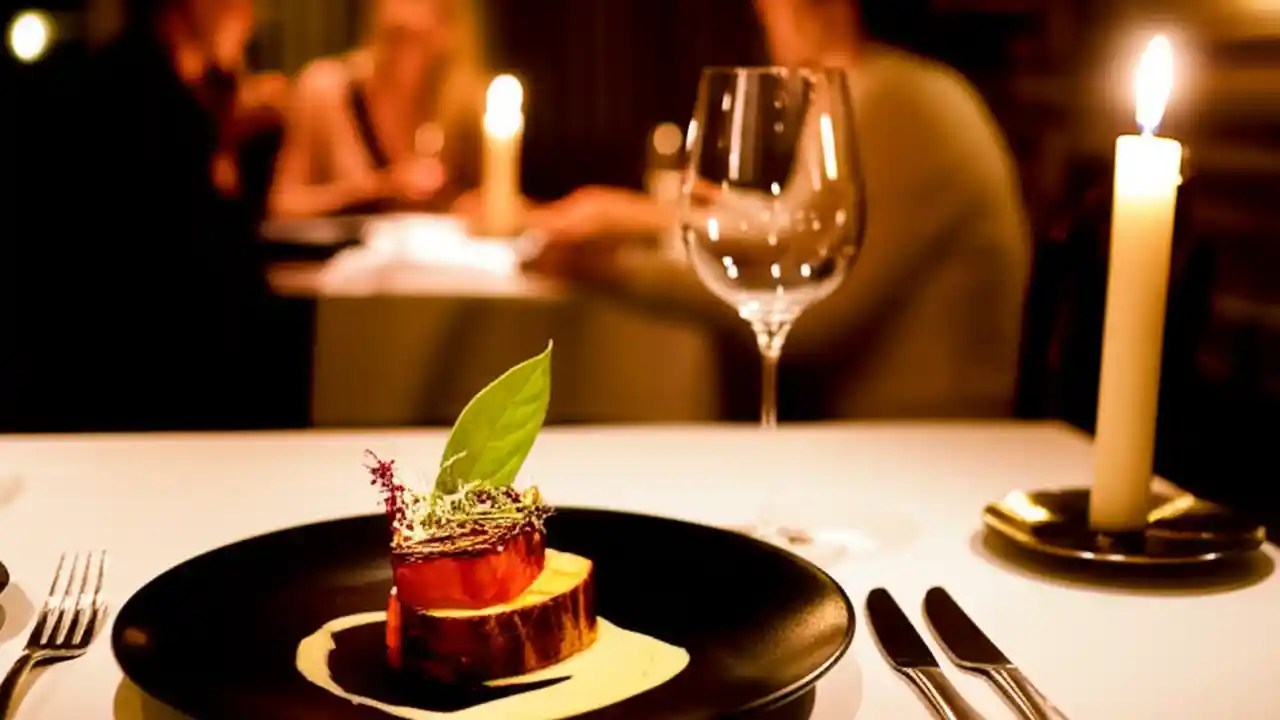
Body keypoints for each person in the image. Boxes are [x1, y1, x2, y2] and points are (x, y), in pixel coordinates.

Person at [524, 0, 1030, 419]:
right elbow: (793, 225)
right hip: (873, 433)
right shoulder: (875, 87)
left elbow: (806, 292)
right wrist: (648, 216)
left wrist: (612, 270)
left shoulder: (904, 101)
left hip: (927, 439)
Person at [6, 0, 291, 431]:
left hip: (157, 374)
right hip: (136, 380)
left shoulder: (181, 92)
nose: (248, 12)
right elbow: (192, 254)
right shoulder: (132, 95)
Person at [269, 0, 485, 219]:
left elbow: (484, 202)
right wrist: (380, 187)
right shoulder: (327, 89)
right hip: (338, 252)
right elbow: (283, 205)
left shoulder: (463, 108)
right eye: (399, 36)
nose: (411, 13)